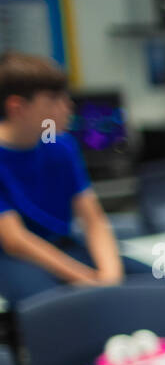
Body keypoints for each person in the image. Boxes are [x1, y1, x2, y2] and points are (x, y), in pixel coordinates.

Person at [0, 52, 155, 304]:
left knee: (157, 284)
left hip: (64, 245)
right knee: (62, 308)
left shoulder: (61, 146)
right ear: (17, 107)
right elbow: (15, 241)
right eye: (53, 100)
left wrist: (110, 276)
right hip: (14, 259)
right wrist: (85, 279)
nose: (68, 106)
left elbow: (93, 221)